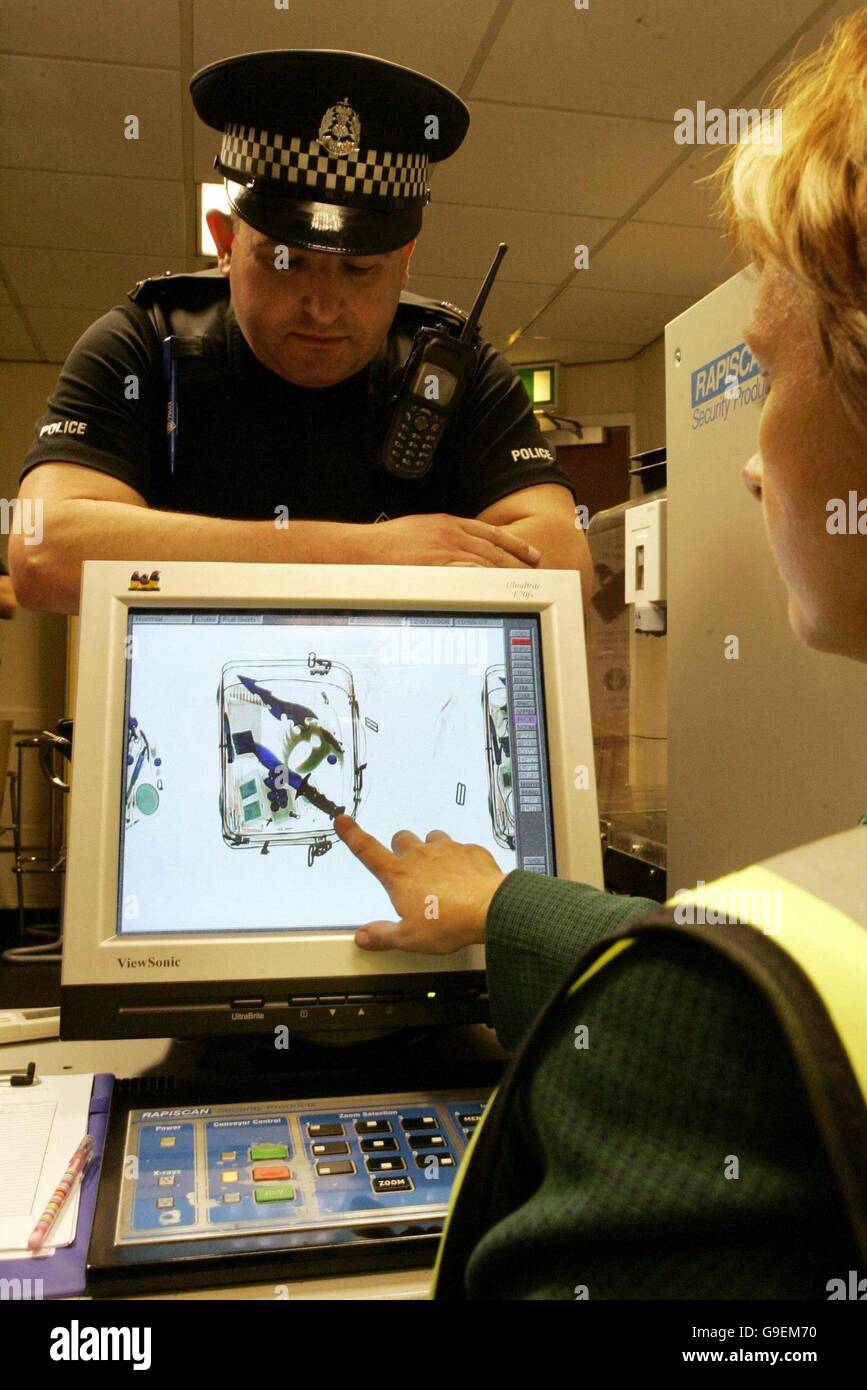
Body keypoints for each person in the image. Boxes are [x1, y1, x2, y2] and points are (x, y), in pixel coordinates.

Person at [335, 10, 867, 1299]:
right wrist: (514, 904)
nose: (746, 461)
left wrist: (659, 995)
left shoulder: (699, 1039)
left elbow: (736, 1013)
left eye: (769, 370)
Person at [9, 50, 588, 616]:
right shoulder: (141, 344)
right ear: (226, 244)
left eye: (361, 270)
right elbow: (42, 553)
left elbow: (566, 567)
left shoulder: (458, 371)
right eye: (286, 263)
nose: (322, 308)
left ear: (406, 260)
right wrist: (368, 555)